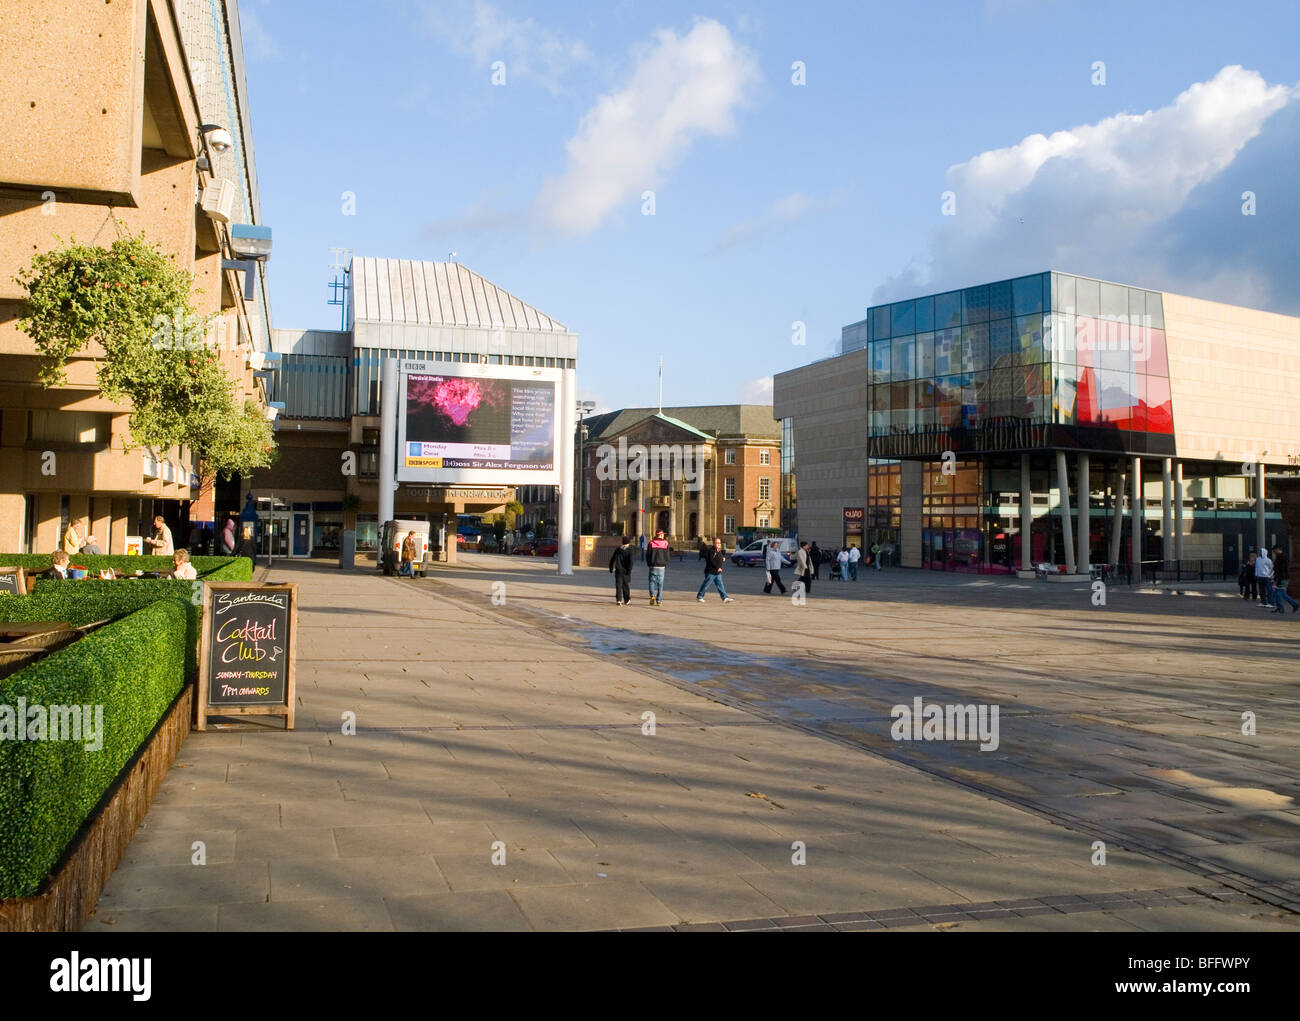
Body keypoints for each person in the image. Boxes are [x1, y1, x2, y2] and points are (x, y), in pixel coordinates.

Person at [696, 537, 734, 603]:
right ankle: (699, 596)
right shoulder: (712, 550)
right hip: (711, 571)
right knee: (706, 585)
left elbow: (719, 557)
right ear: (714, 544)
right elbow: (711, 560)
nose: (719, 544)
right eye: (717, 543)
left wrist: (723, 558)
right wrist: (717, 567)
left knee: (720, 585)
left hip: (717, 572)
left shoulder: (718, 550)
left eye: (719, 543)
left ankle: (724, 597)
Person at [646, 529, 671, 605]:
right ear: (660, 535)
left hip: (653, 565)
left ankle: (652, 595)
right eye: (663, 534)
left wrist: (649, 564)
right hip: (661, 566)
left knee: (652, 582)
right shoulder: (665, 543)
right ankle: (659, 600)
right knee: (660, 583)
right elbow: (667, 555)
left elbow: (648, 555)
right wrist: (666, 563)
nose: (664, 535)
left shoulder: (651, 543)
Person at [1270, 546, 1298, 614]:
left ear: (1278, 550)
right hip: (1281, 578)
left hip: (1282, 578)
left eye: (1274, 551)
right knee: (1281, 593)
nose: (1274, 552)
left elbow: (1282, 570)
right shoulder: (1280, 557)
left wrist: (1278, 578)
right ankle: (1294, 605)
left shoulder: (1281, 558)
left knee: (1278, 593)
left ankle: (1281, 608)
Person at [609, 535, 634, 605]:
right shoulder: (630, 550)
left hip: (618, 570)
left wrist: (611, 568)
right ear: (628, 542)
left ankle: (619, 599)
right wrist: (629, 570)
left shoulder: (618, 549)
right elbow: (631, 561)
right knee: (626, 585)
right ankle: (627, 600)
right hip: (626, 571)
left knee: (618, 585)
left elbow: (612, 559)